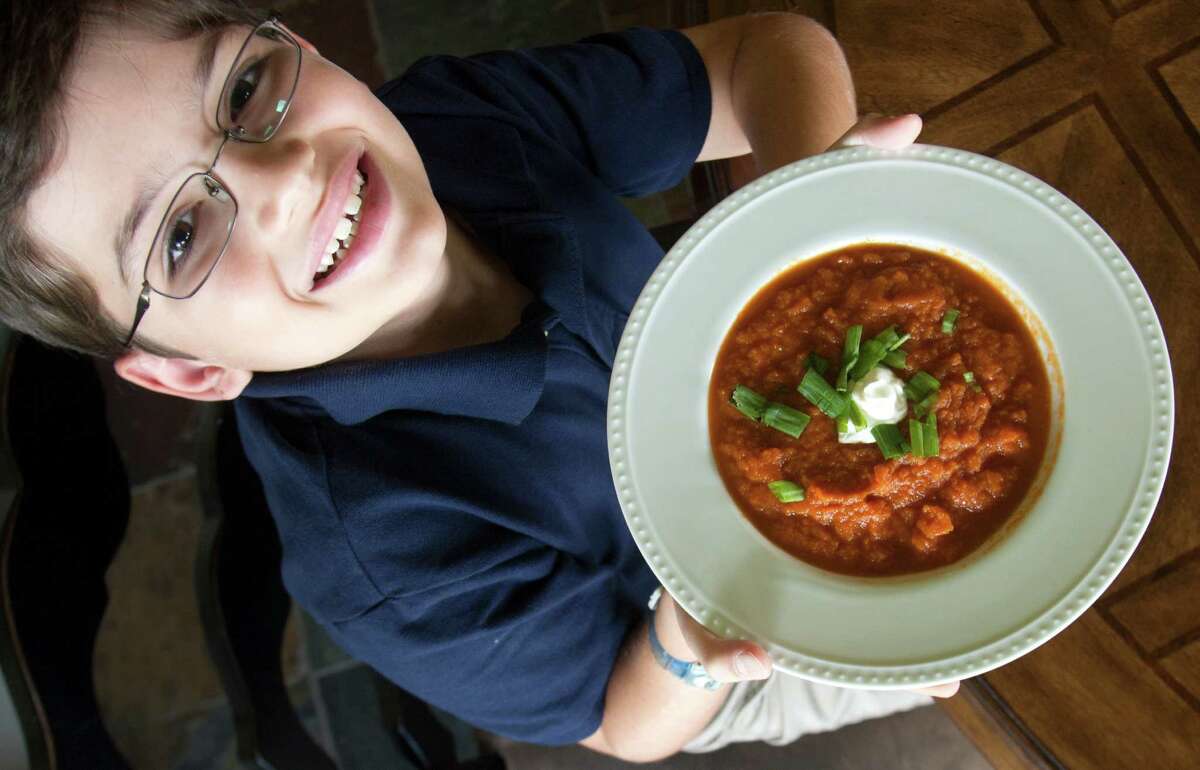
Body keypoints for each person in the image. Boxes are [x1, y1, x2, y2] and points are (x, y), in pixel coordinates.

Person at [3, 0, 956, 761]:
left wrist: (821, 218)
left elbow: (767, 50)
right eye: (180, 238)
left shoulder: (455, 123)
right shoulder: (386, 563)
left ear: (292, 40)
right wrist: (692, 648)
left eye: (246, 89)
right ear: (191, 370)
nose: (284, 177)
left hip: (779, 368)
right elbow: (626, 724)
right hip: (704, 627)